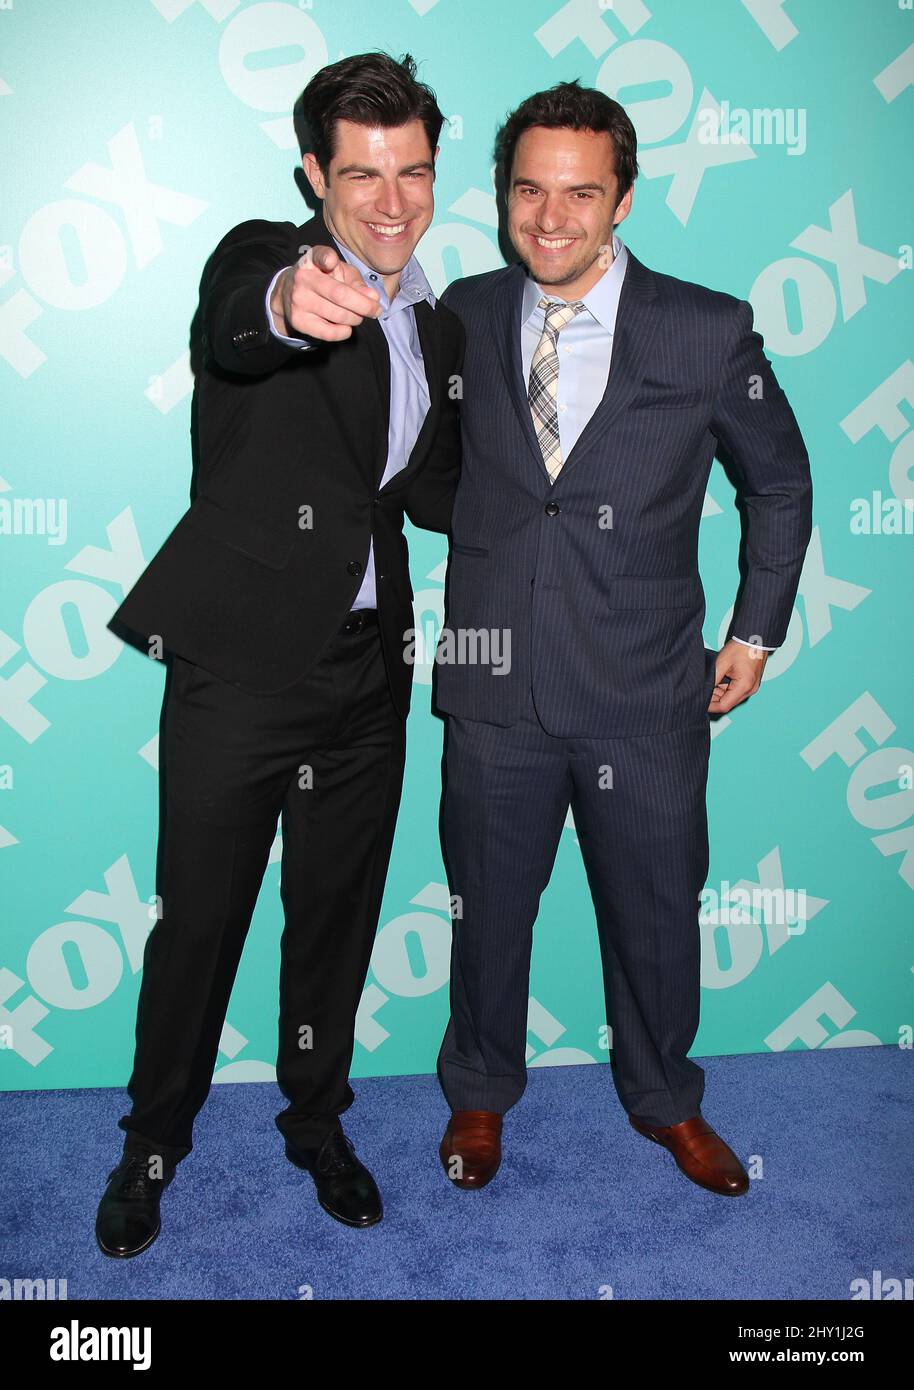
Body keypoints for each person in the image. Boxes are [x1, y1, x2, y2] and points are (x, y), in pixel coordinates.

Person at [97, 51, 463, 1256]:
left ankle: (315, 1123)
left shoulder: (437, 321)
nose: (391, 201)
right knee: (199, 923)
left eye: (412, 170)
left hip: (367, 674)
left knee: (335, 920)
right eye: (360, 174)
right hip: (243, 673)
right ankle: (152, 1144)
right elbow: (239, 322)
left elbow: (441, 492)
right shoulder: (266, 256)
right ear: (315, 174)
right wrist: (286, 300)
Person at [434, 81, 812, 1195]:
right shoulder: (456, 310)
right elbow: (428, 471)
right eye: (527, 192)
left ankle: (664, 1101)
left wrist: (756, 630)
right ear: (503, 193)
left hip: (646, 691)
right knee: (485, 913)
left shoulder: (705, 328)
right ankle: (477, 1094)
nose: (550, 219)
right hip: (488, 677)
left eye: (579, 194)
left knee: (654, 914)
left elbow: (778, 481)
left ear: (624, 199)